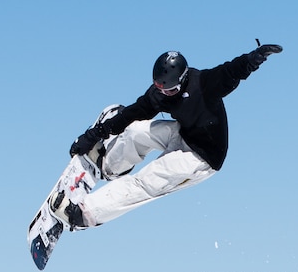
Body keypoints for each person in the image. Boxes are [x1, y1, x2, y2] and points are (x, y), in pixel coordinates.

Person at [54, 42, 283, 229]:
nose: (166, 94)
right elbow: (132, 113)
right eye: (162, 90)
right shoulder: (160, 94)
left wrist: (255, 58)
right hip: (183, 134)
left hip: (202, 158)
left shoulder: (204, 84)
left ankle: (86, 214)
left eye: (171, 90)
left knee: (146, 181)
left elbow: (233, 70)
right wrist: (93, 136)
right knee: (135, 130)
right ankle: (109, 165)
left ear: (182, 80)